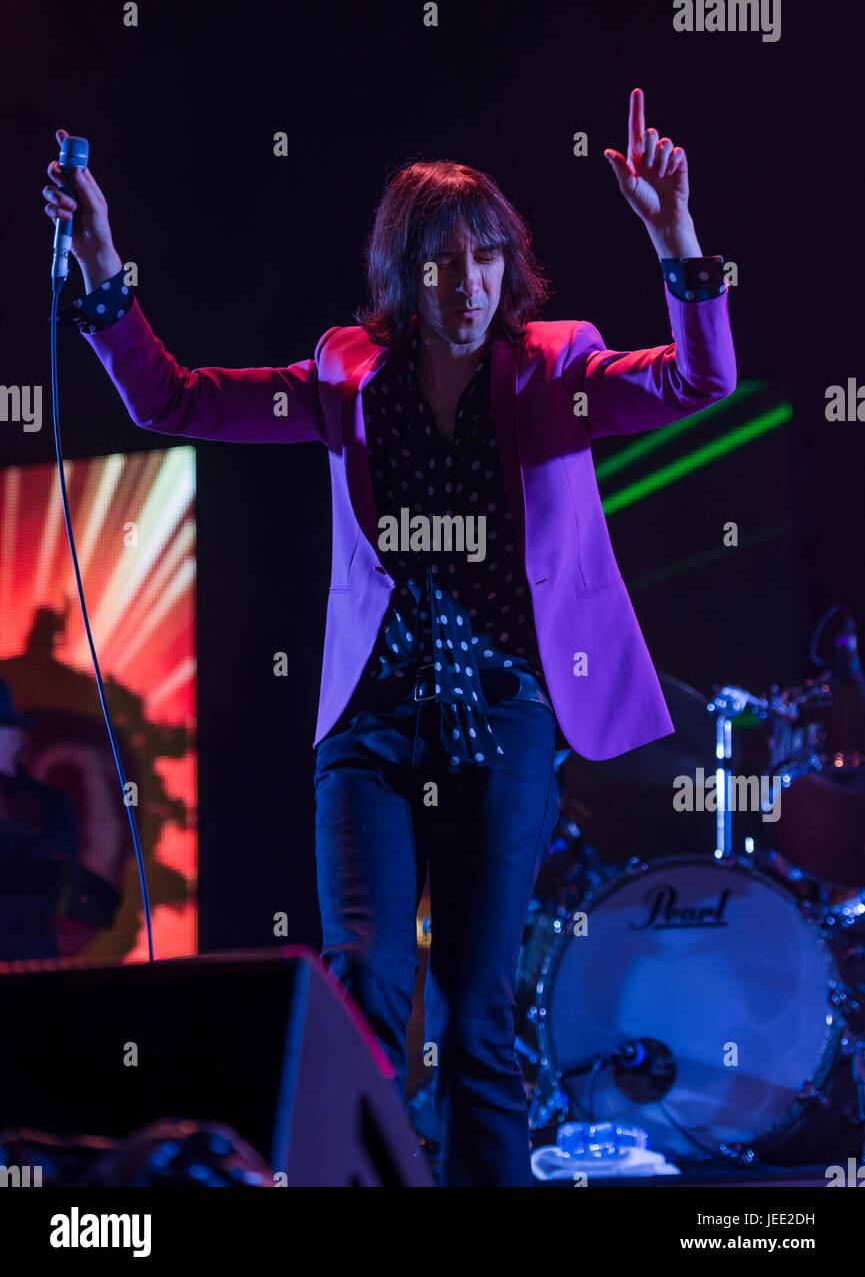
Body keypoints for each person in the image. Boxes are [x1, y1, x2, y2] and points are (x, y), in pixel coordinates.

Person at [42, 89, 736, 1185]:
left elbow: (702, 379)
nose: (468, 286)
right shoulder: (342, 373)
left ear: (510, 268)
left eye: (487, 260)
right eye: (443, 263)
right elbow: (170, 400)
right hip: (369, 723)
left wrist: (673, 234)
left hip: (504, 714)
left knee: (476, 1011)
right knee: (363, 978)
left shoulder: (557, 364)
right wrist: (100, 261)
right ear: (402, 274)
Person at [0, 679, 79, 960]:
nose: (13, 739)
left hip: (30, 975)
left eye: (10, 729)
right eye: (4, 729)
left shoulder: (51, 805)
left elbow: (51, 887)